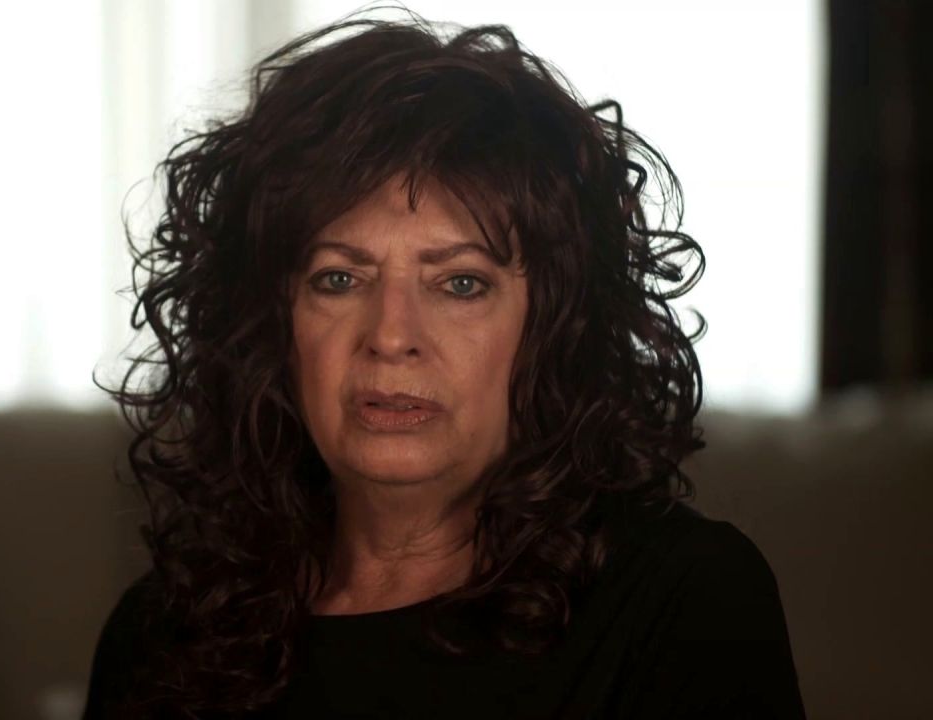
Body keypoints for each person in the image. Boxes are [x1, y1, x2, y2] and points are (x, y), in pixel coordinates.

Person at [86, 11, 805, 720]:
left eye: (461, 283)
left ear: (555, 327)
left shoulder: (684, 599)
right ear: (272, 324)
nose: (391, 335)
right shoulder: (160, 635)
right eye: (339, 278)